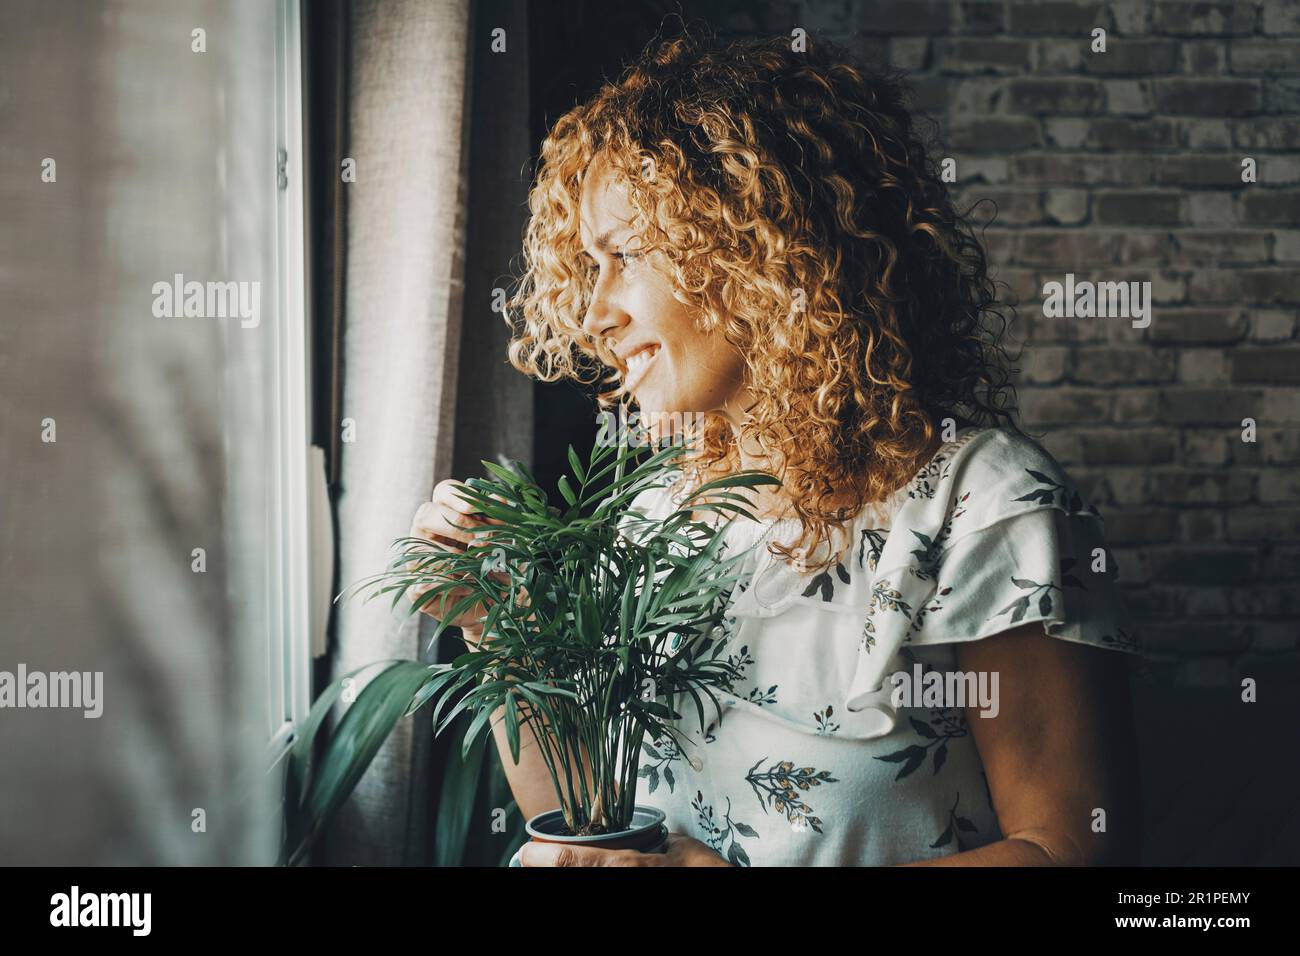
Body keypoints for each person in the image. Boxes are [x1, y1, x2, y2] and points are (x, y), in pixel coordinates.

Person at [410, 32, 1142, 866]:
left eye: (626, 255)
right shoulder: (656, 511)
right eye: (588, 265)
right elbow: (587, 810)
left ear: (760, 246)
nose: (593, 312)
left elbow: (1075, 853)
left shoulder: (982, 505)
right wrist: (494, 624)